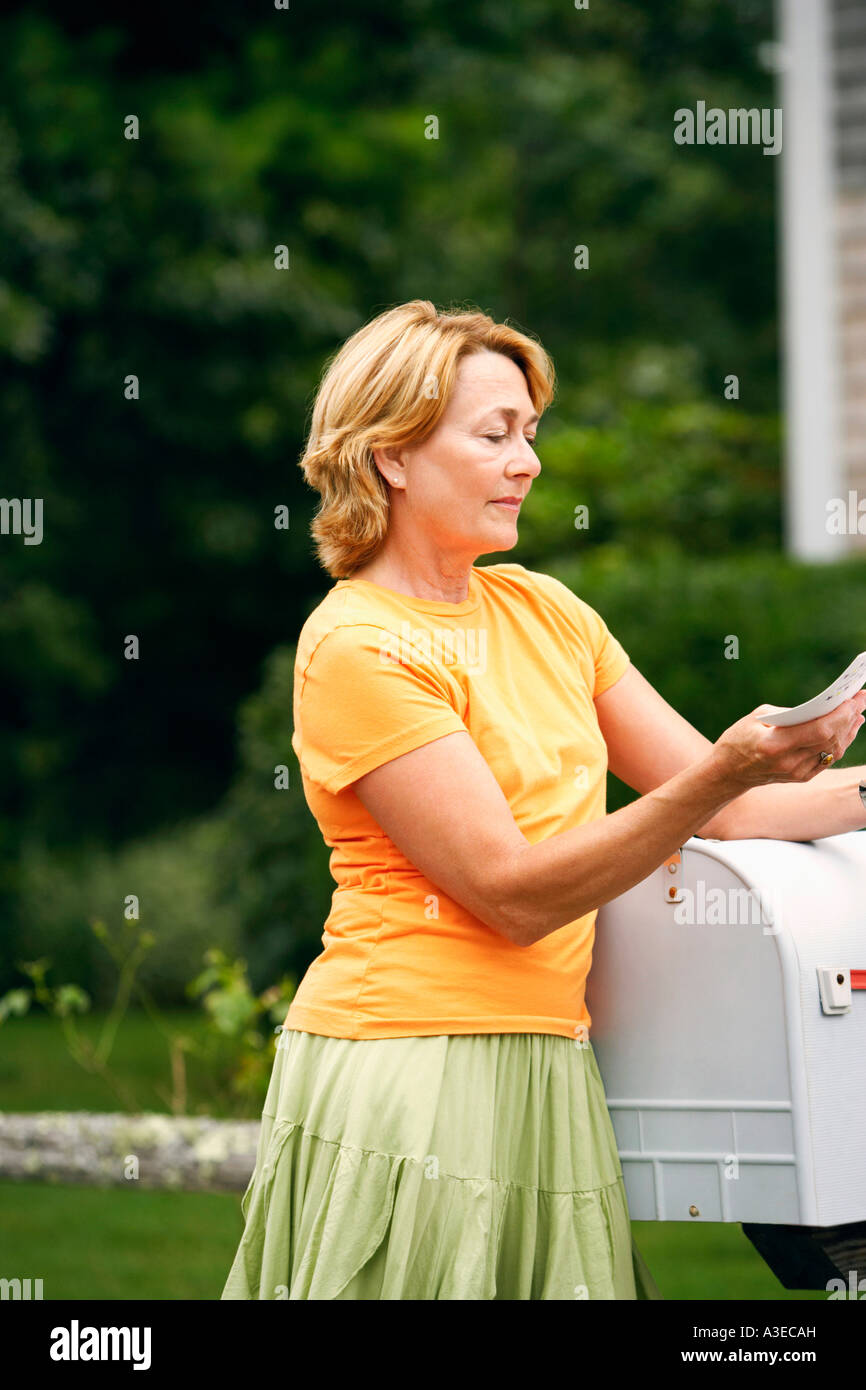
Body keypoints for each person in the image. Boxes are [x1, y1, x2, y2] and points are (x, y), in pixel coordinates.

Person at [221, 299, 866, 1301]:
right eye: (494, 435)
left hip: (551, 1068)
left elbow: (732, 813)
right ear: (390, 455)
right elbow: (511, 894)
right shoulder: (357, 646)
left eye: (530, 433)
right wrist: (725, 771)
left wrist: (778, 778)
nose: (527, 461)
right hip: (414, 1070)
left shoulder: (546, 613)